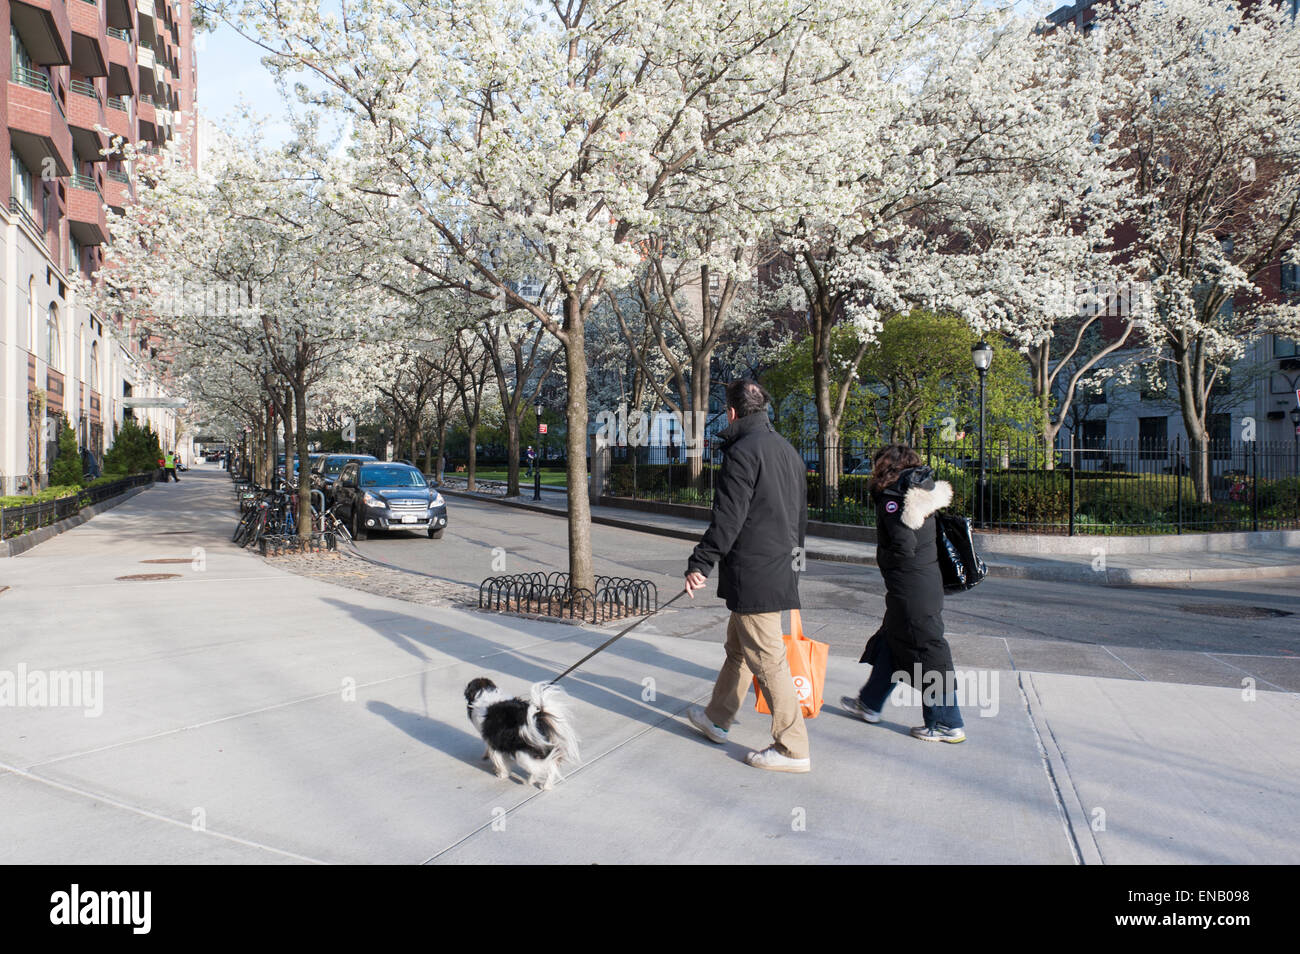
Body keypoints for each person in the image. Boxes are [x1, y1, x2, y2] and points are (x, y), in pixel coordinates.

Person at [683, 380, 811, 772]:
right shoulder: (788, 451)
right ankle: (717, 717)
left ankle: (793, 748)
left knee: (769, 661)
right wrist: (796, 567)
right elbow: (801, 518)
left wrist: (700, 562)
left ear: (733, 412)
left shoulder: (742, 452)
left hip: (755, 572)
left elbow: (728, 518)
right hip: (780, 567)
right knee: (738, 649)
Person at [842, 444, 965, 742]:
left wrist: (885, 558)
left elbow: (903, 546)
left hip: (910, 591)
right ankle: (869, 703)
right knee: (891, 641)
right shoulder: (921, 493)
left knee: (928, 650)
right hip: (924, 586)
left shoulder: (894, 498)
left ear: (885, 467)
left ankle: (946, 722)